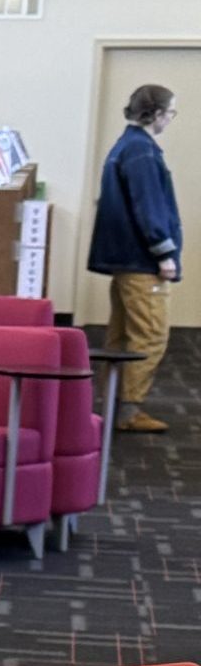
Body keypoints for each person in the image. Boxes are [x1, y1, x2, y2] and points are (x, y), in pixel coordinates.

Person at [89, 83, 182, 432]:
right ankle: (128, 410)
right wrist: (165, 252)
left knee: (123, 334)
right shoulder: (142, 152)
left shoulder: (126, 146)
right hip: (142, 261)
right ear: (156, 113)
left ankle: (113, 403)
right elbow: (150, 208)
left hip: (125, 261)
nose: (171, 119)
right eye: (171, 112)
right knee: (150, 334)